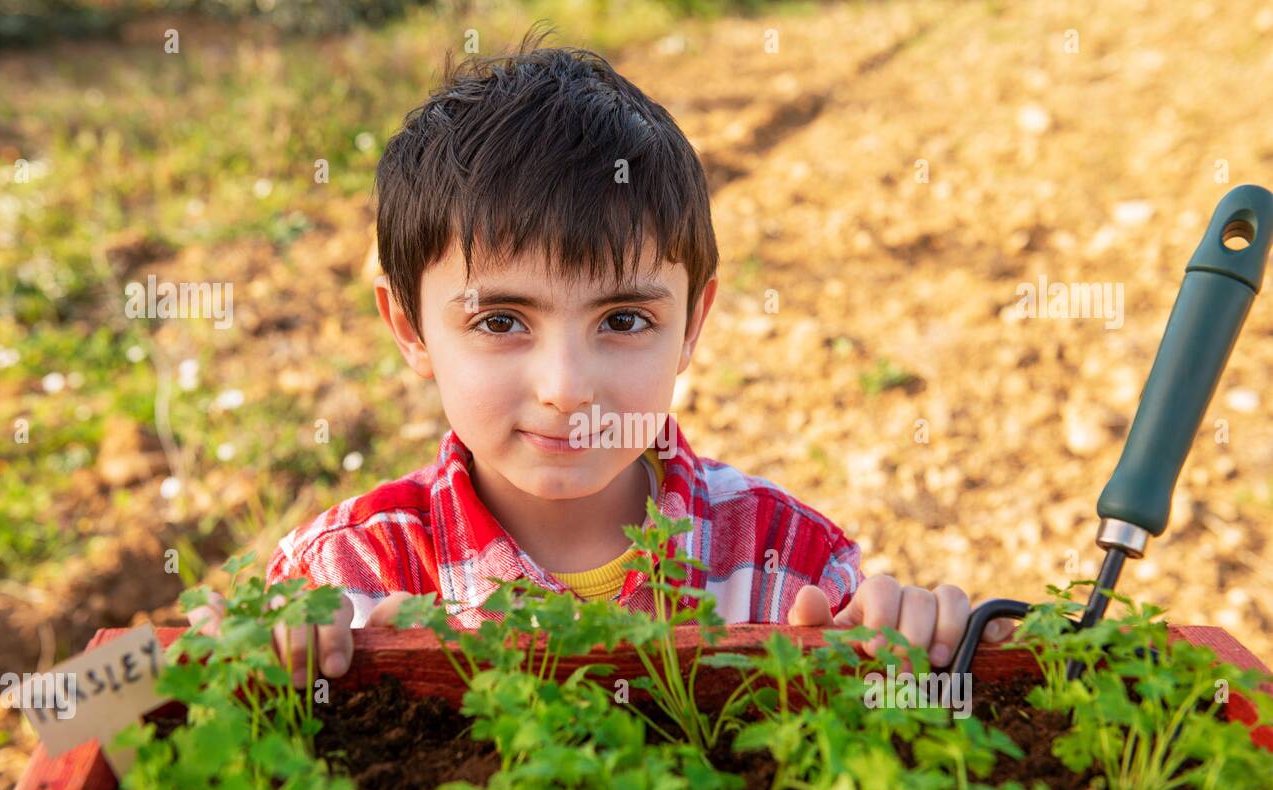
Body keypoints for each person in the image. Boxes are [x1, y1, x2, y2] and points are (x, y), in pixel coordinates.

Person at [188, 24, 1017, 683]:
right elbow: (125, 737)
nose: (565, 387)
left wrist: (916, 644)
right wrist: (231, 665)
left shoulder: (786, 565)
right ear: (409, 327)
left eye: (622, 320)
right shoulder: (346, 577)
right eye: (501, 321)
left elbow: (883, 717)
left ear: (693, 322)